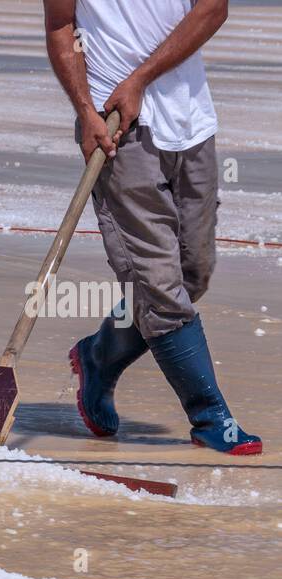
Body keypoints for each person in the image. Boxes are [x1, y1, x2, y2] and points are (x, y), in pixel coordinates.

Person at [44, 0, 261, 454]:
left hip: (190, 121)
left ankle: (99, 356)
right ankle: (210, 418)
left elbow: (213, 9)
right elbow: (62, 26)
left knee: (191, 274)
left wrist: (140, 79)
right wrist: (86, 113)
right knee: (160, 287)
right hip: (117, 128)